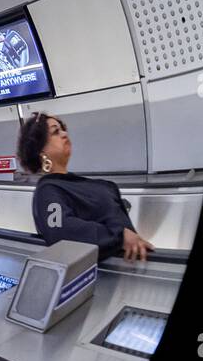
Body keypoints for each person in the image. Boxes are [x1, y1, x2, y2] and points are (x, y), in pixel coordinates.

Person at [17, 112, 153, 262]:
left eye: (63, 129)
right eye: (56, 131)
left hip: (129, 261)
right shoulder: (47, 191)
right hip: (102, 271)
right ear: (41, 151)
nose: (64, 134)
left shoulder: (74, 182)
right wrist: (119, 236)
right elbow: (60, 230)